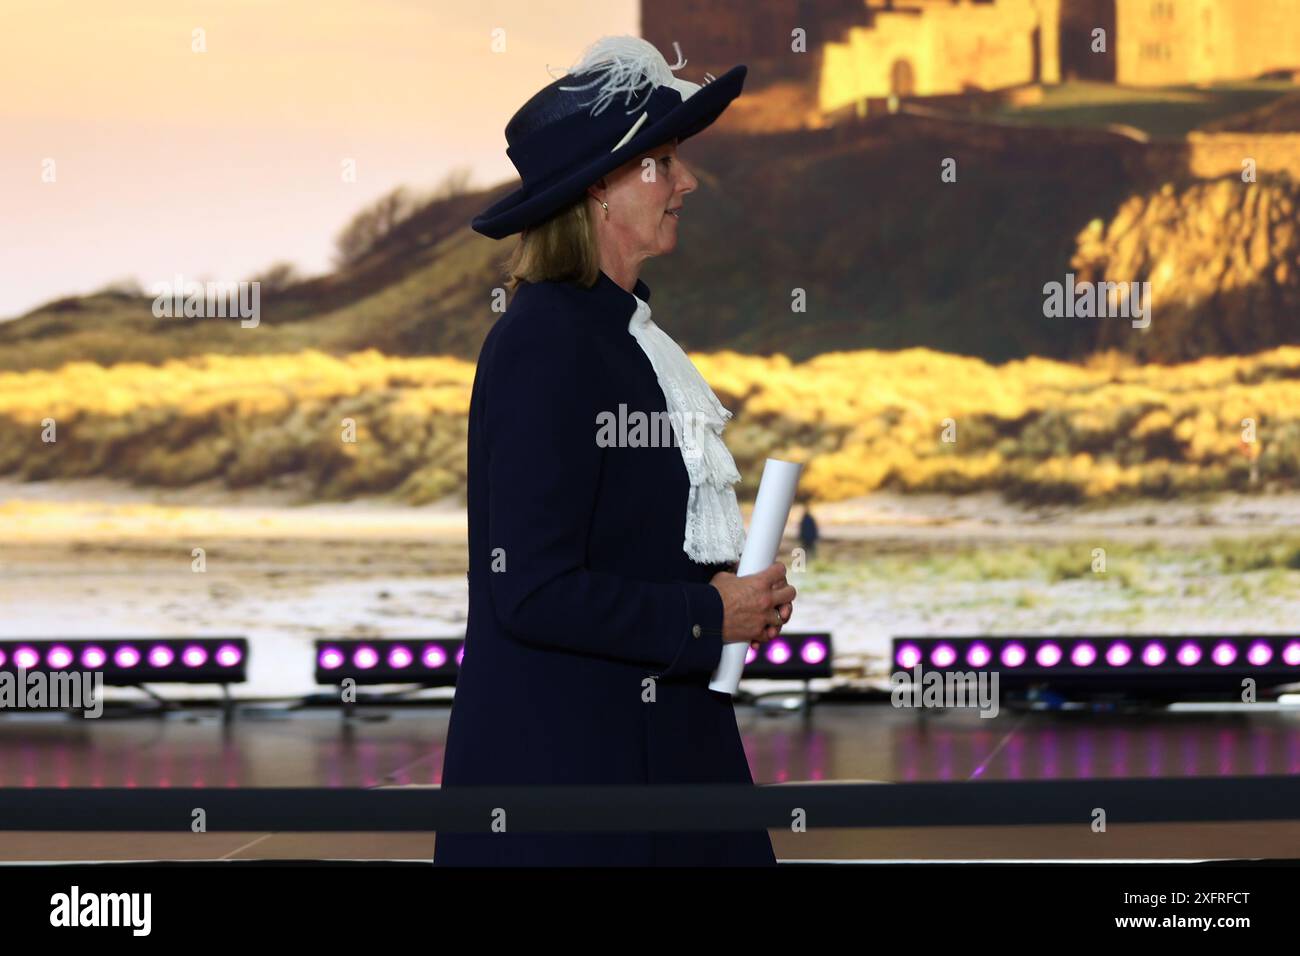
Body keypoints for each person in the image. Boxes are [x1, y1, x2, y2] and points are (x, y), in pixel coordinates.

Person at [435, 36, 795, 866]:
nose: (687, 183)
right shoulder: (546, 344)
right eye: (662, 163)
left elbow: (625, 553)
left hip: (658, 758)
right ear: (600, 188)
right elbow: (529, 589)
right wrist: (710, 614)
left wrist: (735, 599)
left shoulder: (620, 337)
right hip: (578, 789)